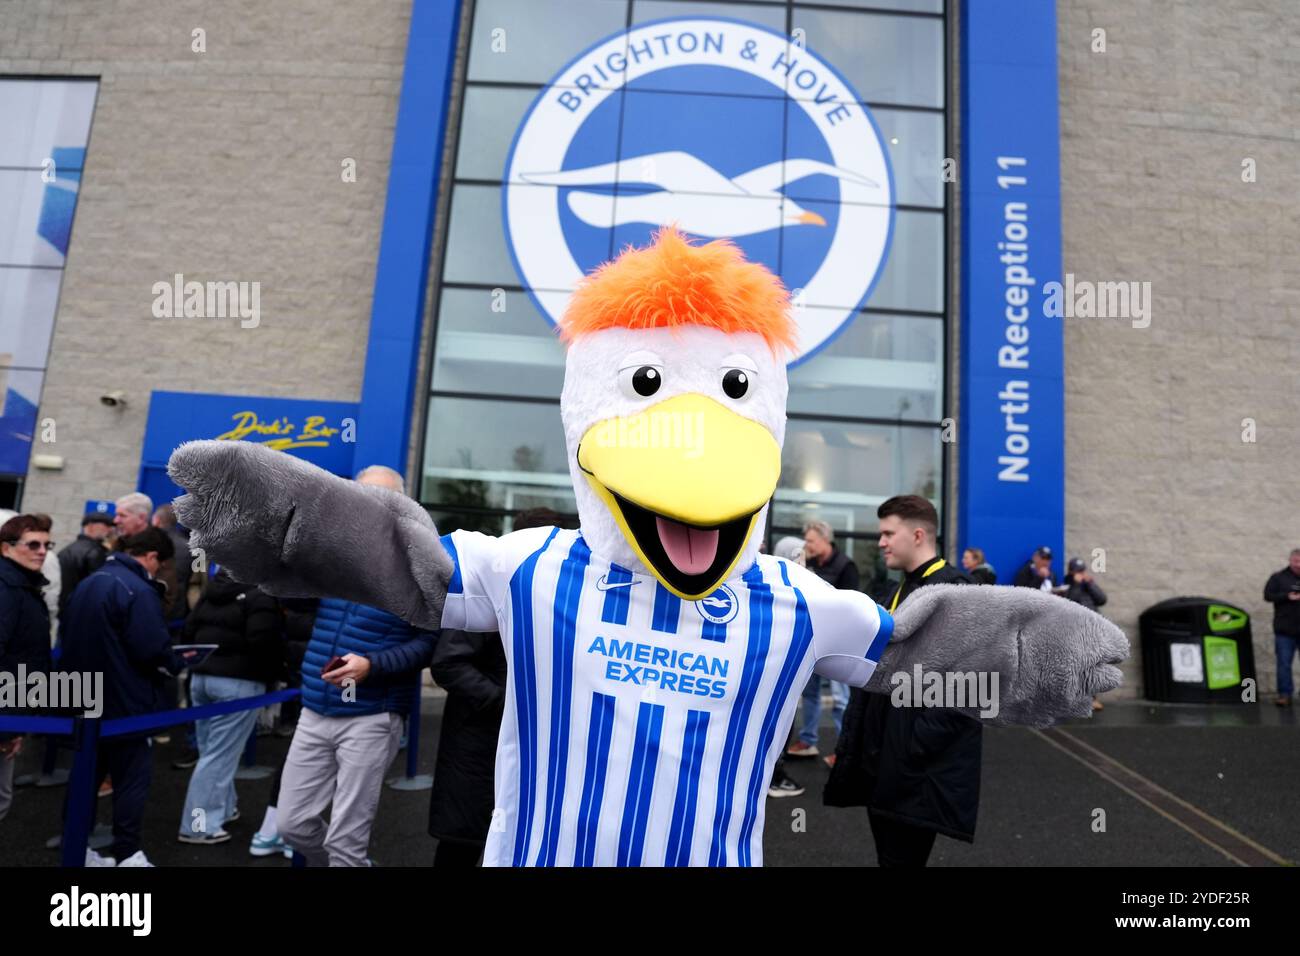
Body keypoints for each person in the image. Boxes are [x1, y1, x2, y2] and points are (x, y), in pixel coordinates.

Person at [273, 465, 438, 867]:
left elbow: (430, 643)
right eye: (360, 494)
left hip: (372, 715)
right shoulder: (333, 553)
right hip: (316, 706)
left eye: (381, 497)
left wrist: (374, 664)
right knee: (290, 825)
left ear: (401, 503)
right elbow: (292, 601)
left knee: (346, 842)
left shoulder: (420, 561)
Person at [826, 495, 979, 867]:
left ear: (917, 534)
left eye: (887, 533)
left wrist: (912, 747)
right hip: (883, 764)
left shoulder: (957, 591)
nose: (880, 543)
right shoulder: (896, 591)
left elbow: (972, 686)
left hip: (913, 771)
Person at [59, 528, 193, 867]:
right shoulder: (137, 589)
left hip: (85, 698)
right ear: (151, 558)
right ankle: (128, 854)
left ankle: (76, 847)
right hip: (127, 704)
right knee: (131, 782)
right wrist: (177, 661)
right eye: (158, 565)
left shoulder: (91, 582)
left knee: (85, 777)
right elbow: (151, 649)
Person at [177, 567, 283, 845]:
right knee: (218, 756)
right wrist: (274, 677)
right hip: (238, 682)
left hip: (200, 679)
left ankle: (222, 808)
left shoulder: (211, 589)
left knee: (210, 752)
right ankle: (199, 826)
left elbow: (188, 630)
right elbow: (265, 642)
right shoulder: (260, 593)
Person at [787, 520, 858, 766]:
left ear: (825, 540)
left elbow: (850, 607)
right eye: (806, 541)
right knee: (810, 693)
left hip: (838, 642)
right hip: (814, 639)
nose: (807, 545)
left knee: (840, 699)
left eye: (811, 541)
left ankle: (844, 751)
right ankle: (808, 741)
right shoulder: (809, 565)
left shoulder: (846, 566)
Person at [0, 514, 55, 824]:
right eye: (33, 544)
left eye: (47, 544)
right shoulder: (7, 588)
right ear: (6, 549)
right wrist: (7, 725)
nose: (42, 550)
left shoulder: (21, 585)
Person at [57, 512, 113, 620]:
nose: (109, 529)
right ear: (90, 526)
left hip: (66, 612)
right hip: (85, 613)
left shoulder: (65, 550)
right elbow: (99, 589)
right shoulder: (95, 552)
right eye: (106, 525)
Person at [1264, 548, 1300, 707]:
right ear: (1290, 560)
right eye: (1296, 561)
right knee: (1284, 664)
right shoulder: (1278, 577)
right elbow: (1267, 596)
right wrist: (1287, 596)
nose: (1299, 564)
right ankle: (1284, 695)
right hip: (1285, 630)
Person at [152, 503, 194, 627]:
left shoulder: (148, 542)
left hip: (148, 604)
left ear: (157, 520)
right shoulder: (191, 548)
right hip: (177, 608)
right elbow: (198, 578)